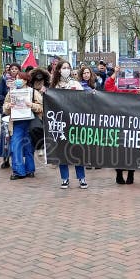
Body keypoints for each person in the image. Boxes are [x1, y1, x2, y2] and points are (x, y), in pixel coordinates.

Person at [50, 60, 88, 189]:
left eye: (68, 67)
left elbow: (84, 99)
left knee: (77, 150)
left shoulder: (76, 84)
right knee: (62, 150)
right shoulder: (54, 86)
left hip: (75, 122)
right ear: (59, 70)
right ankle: (64, 178)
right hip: (61, 123)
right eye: (63, 67)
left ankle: (81, 178)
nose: (66, 70)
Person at [4, 73, 43, 180]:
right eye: (16, 79)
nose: (17, 80)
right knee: (15, 146)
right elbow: (5, 108)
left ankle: (30, 170)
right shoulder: (11, 92)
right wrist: (9, 106)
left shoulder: (33, 92)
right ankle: (18, 171)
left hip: (30, 122)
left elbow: (41, 107)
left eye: (20, 79)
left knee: (28, 147)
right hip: (17, 123)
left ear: (25, 80)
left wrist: (32, 105)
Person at [104, 65, 140, 184]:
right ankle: (119, 173)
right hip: (118, 123)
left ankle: (131, 174)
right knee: (118, 149)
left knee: (132, 149)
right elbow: (108, 86)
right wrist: (115, 73)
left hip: (132, 123)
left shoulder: (136, 89)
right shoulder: (116, 89)